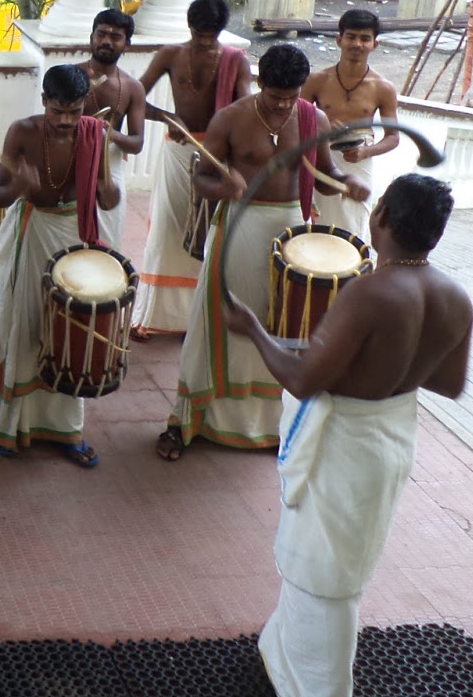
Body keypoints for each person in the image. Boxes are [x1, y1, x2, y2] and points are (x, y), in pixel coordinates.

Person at [220, 174, 472, 697]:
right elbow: (451, 384)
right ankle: (281, 653)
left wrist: (255, 330)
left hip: (347, 443)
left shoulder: (372, 292)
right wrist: (388, 365)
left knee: (323, 574)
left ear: (380, 218)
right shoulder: (454, 297)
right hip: (389, 437)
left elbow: (305, 380)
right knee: (330, 559)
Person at [158, 43, 369, 461]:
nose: (282, 107)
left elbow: (325, 176)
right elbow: (201, 178)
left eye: (290, 98)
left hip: (291, 231)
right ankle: (190, 419)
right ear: (260, 85)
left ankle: (270, 427)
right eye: (275, 98)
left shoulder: (313, 119)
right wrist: (223, 187)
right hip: (238, 225)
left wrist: (348, 181)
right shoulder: (231, 119)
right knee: (220, 319)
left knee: (278, 320)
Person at [0, 65, 119, 466]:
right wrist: (18, 187)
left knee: (69, 331)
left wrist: (108, 190)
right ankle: (10, 424)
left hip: (74, 236)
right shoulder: (22, 131)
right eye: (58, 111)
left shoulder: (95, 133)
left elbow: (109, 200)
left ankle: (65, 430)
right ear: (44, 101)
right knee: (23, 324)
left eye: (74, 112)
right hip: (31, 233)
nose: (65, 121)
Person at [130, 0, 252, 338]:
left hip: (215, 156)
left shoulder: (235, 62)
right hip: (177, 151)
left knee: (206, 234)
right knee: (168, 228)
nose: (204, 41)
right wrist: (165, 116)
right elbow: (134, 95)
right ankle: (153, 317)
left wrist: (221, 143)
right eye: (199, 34)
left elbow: (243, 109)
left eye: (211, 36)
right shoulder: (170, 54)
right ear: (189, 26)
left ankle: (195, 318)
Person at [301, 9, 399, 239]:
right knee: (317, 223)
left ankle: (350, 274)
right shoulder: (317, 80)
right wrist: (321, 126)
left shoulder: (382, 87)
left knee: (352, 226)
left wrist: (366, 151)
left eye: (365, 38)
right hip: (321, 158)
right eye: (351, 36)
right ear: (339, 40)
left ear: (375, 44)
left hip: (358, 162)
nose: (357, 44)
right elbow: (296, 118)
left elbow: (393, 137)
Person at [77, 8, 146, 251]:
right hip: (70, 169)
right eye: (101, 34)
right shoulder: (72, 75)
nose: (106, 41)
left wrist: (108, 133)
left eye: (115, 37)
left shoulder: (132, 87)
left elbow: (137, 144)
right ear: (91, 38)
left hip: (109, 171)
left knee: (104, 249)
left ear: (126, 44)